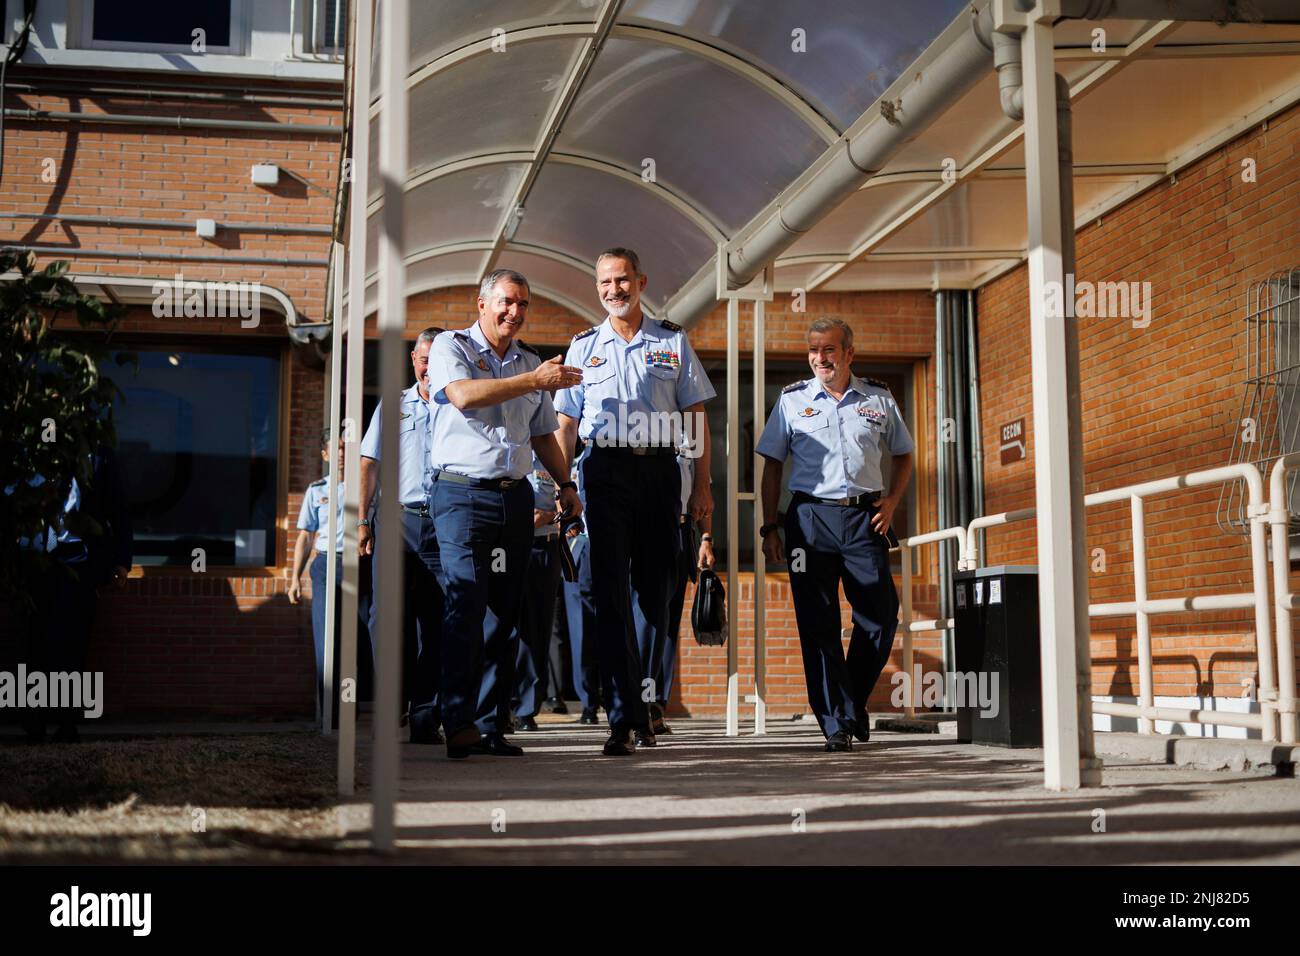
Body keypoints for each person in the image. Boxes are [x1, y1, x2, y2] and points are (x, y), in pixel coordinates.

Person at [554, 247, 715, 756]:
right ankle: (622, 716)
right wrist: (565, 485)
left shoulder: (671, 340)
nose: (613, 291)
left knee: (656, 593)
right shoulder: (583, 346)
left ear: (641, 282)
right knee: (609, 593)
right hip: (604, 471)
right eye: (604, 283)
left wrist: (704, 485)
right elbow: (565, 425)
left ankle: (649, 702)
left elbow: (694, 417)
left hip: (660, 471)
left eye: (621, 281)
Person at [427, 268, 583, 760]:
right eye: (507, 302)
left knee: (503, 615)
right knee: (466, 603)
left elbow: (541, 435)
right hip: (461, 497)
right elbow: (464, 396)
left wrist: (565, 484)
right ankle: (457, 721)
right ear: (482, 304)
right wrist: (533, 380)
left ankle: (493, 723)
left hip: (513, 498)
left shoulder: (530, 362)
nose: (515, 312)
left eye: (523, 304)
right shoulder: (452, 348)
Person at [755, 317, 914, 753]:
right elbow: (771, 467)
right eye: (813, 350)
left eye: (828, 350)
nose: (819, 358)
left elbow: (903, 455)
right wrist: (771, 525)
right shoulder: (791, 401)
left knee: (881, 615)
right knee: (817, 622)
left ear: (849, 354)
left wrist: (893, 501)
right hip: (808, 520)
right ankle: (835, 724)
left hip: (865, 519)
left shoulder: (879, 398)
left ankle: (849, 703)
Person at [358, 327, 445, 745]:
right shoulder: (393, 406)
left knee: (439, 620)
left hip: (444, 523)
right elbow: (368, 463)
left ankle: (427, 713)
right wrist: (361, 521)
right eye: (424, 359)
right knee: (384, 616)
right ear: (414, 360)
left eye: (437, 359)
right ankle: (393, 700)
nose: (430, 368)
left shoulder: (458, 406)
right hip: (395, 519)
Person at [13, 445, 133, 743]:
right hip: (39, 558)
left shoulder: (98, 453)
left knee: (73, 641)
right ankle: (35, 721)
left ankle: (66, 721)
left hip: (80, 560)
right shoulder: (31, 448)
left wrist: (121, 560)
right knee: (37, 638)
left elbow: (118, 506)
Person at [288, 430, 373, 726]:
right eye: (334, 449)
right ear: (324, 455)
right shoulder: (315, 490)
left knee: (361, 635)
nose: (340, 454)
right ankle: (329, 714)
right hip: (326, 564)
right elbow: (304, 536)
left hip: (359, 564)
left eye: (345, 448)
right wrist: (295, 577)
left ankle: (355, 707)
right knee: (326, 639)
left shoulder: (364, 487)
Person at [634, 448, 714, 735]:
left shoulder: (690, 438)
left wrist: (706, 538)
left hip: (682, 530)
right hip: (648, 528)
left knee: (668, 623)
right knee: (648, 618)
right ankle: (638, 701)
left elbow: (703, 494)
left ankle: (657, 704)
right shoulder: (648, 433)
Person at [510, 451, 565, 732]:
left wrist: (550, 516)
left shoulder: (553, 461)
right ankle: (499, 704)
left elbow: (571, 511)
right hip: (507, 548)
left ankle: (526, 708)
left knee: (538, 630)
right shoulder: (505, 454)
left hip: (544, 547)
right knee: (505, 626)